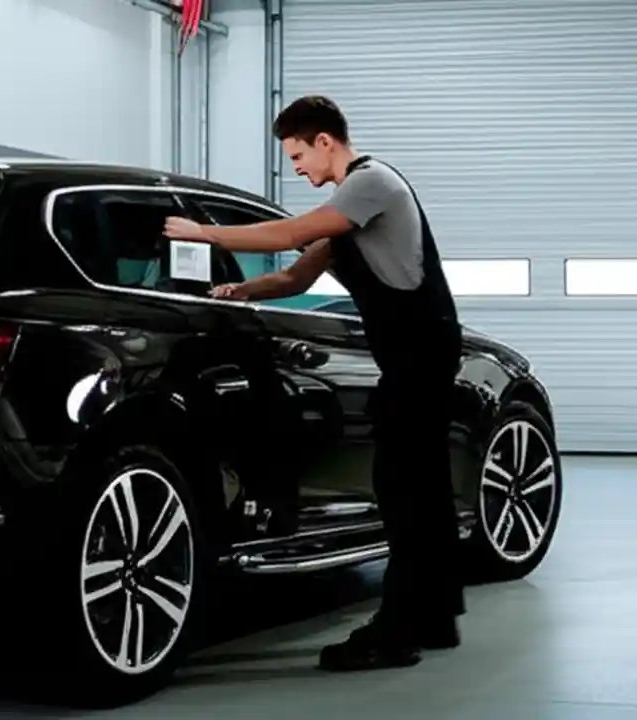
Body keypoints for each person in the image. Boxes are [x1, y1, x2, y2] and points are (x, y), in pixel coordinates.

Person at [163, 95, 465, 672]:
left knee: (404, 490)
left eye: (298, 154)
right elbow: (297, 272)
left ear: (325, 141)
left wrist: (203, 232)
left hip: (421, 355)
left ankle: (398, 632)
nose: (296, 166)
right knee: (420, 490)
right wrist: (240, 292)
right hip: (411, 357)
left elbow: (289, 233)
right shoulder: (351, 206)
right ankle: (434, 618)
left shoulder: (371, 184)